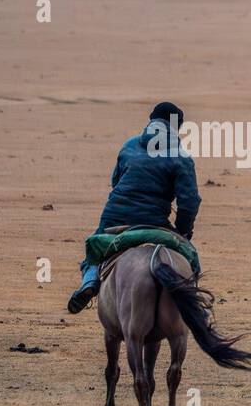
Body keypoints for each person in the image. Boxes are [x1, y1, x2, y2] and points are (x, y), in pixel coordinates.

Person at [67, 102, 202, 313]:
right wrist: (183, 231)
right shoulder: (181, 157)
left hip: (114, 216)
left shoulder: (129, 145)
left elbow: (116, 180)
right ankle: (195, 306)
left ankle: (89, 282)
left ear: (151, 120)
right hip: (153, 221)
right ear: (178, 127)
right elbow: (189, 202)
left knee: (94, 248)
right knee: (190, 256)